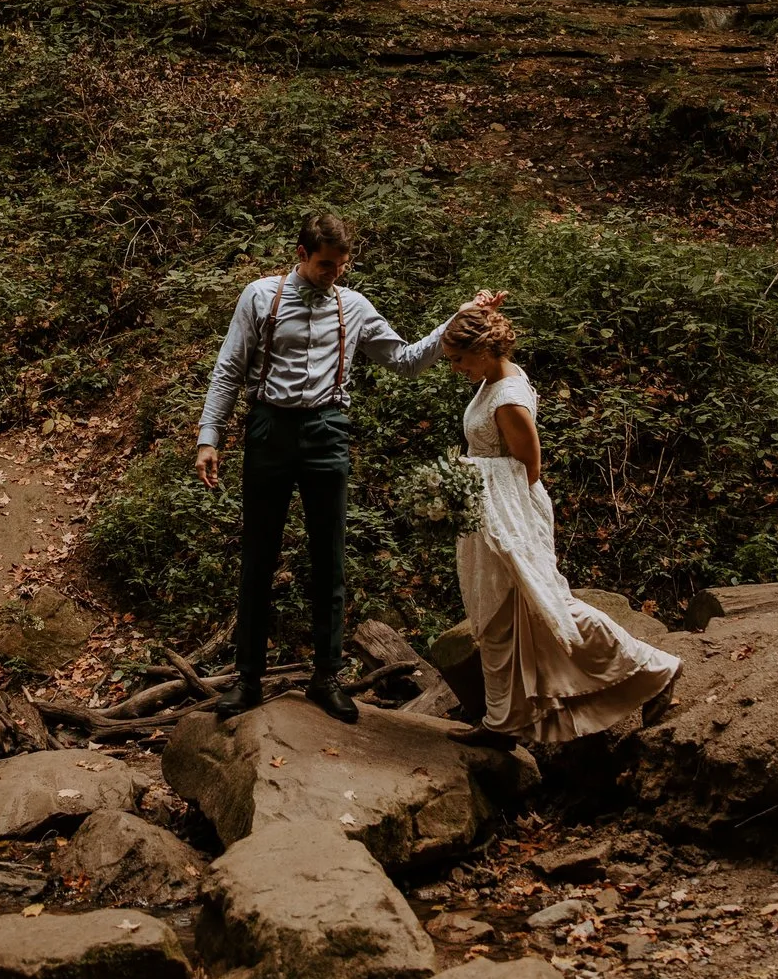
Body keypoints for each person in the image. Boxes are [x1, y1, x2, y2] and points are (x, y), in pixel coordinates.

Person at [195, 213, 490, 723]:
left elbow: (404, 359)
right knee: (258, 555)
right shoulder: (259, 297)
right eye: (325, 264)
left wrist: (453, 320)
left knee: (329, 556)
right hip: (269, 429)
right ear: (301, 254)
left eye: (341, 264)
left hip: (327, 433)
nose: (334, 272)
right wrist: (208, 436)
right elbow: (228, 368)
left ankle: (326, 678)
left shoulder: (352, 307)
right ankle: (248, 681)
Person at [441, 300, 679, 744]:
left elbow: (529, 468)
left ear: (485, 350)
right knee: (499, 617)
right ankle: (502, 722)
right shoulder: (493, 378)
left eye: (458, 359)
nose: (454, 368)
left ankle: (655, 669)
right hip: (489, 512)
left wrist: (468, 478)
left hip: (510, 516)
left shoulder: (508, 398)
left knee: (548, 603)